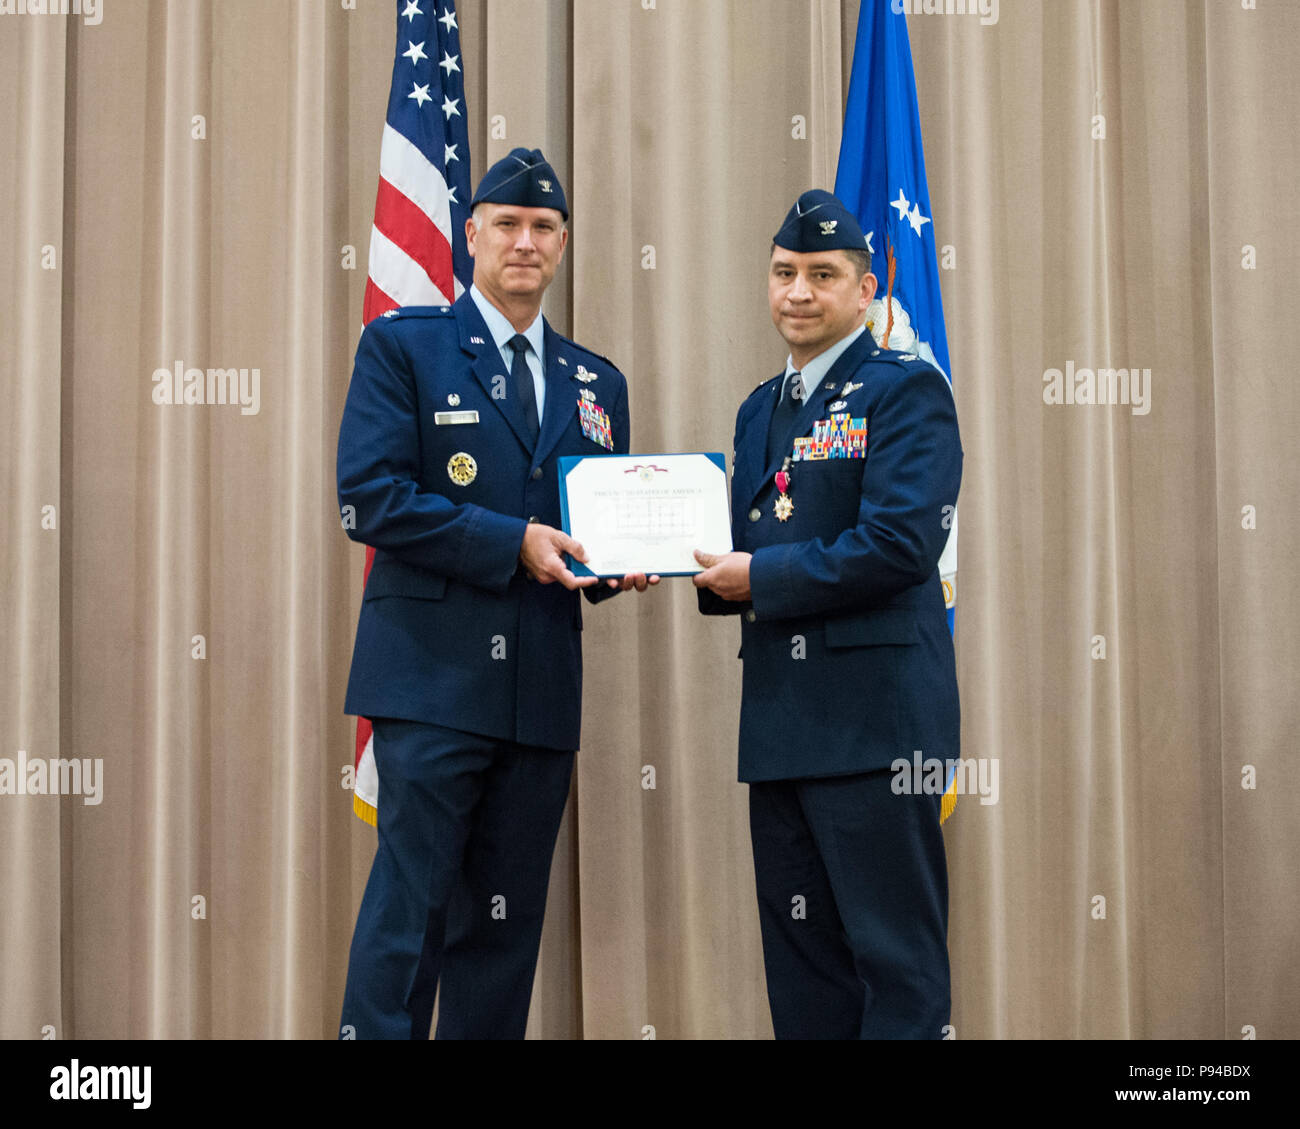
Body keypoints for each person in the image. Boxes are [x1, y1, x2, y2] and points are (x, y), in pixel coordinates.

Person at [337, 148, 655, 1039]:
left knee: (504, 936)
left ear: (562, 244)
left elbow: (585, 528)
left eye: (543, 227)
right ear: (470, 234)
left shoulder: (599, 383)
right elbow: (371, 497)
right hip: (431, 687)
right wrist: (511, 543)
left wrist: (621, 565)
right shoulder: (404, 346)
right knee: (408, 925)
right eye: (506, 225)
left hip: (539, 695)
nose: (525, 241)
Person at [694, 189, 962, 1039]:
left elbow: (897, 546)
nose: (797, 292)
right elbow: (748, 539)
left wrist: (756, 578)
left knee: (895, 968)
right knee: (803, 975)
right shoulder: (757, 407)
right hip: (781, 726)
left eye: (821, 274)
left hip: (875, 727)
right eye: (783, 273)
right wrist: (665, 563)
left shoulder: (907, 391)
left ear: (865, 285)